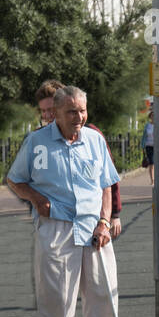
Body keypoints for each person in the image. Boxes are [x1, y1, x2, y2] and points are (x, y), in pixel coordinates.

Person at [5, 85, 127, 317]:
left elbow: (106, 185)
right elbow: (15, 179)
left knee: (102, 293)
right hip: (56, 227)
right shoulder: (37, 142)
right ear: (55, 113)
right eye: (72, 111)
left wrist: (104, 220)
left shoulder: (95, 140)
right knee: (56, 296)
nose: (79, 116)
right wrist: (35, 197)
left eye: (82, 110)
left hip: (93, 229)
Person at [35, 79, 122, 238]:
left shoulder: (91, 136)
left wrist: (113, 215)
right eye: (44, 111)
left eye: (51, 110)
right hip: (55, 226)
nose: (48, 116)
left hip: (91, 225)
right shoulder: (38, 141)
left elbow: (107, 179)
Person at [142, 112, 155, 184]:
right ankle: (152, 180)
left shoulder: (158, 125)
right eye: (152, 116)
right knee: (151, 163)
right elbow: (144, 135)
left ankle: (157, 178)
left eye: (154, 116)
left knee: (157, 163)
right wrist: (143, 146)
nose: (153, 117)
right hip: (148, 146)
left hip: (157, 146)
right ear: (150, 117)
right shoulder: (147, 125)